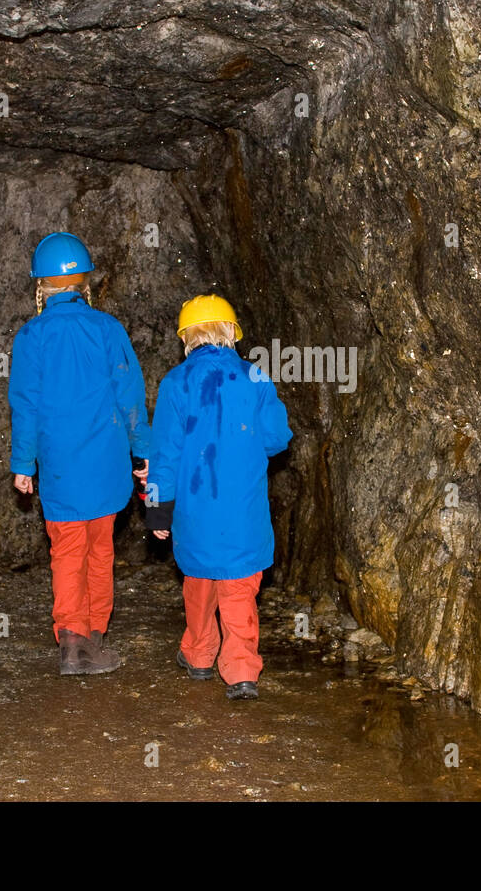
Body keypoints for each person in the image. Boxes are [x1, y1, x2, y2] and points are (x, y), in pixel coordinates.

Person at [8, 232, 151, 675]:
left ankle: (70, 642)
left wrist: (22, 464)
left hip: (60, 469)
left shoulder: (31, 336)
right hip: (106, 465)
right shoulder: (108, 329)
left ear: (41, 287)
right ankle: (94, 636)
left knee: (67, 551)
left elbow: (25, 405)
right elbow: (130, 397)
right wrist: (142, 451)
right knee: (100, 549)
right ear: (84, 283)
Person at [145, 295, 292, 700]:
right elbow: (278, 438)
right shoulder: (256, 377)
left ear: (186, 339)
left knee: (199, 584)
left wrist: (158, 511)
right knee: (239, 589)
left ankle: (198, 655)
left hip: (195, 514)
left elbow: (165, 456)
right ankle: (242, 671)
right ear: (231, 332)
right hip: (243, 512)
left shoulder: (175, 383)